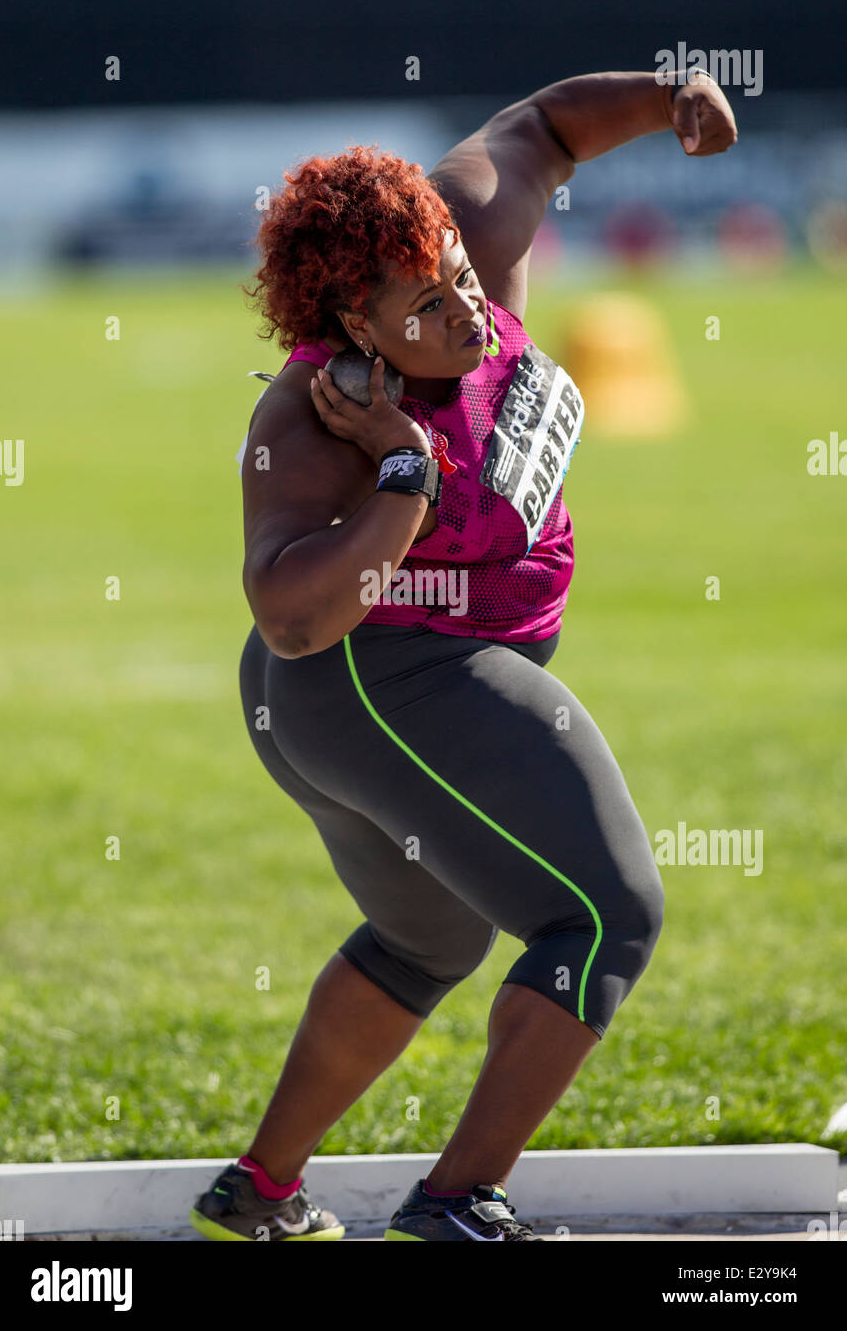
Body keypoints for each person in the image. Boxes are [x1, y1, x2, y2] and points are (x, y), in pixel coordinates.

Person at [190, 68, 737, 1243]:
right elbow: (288, 616)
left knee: (425, 935)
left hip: (412, 677)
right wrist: (402, 474)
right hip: (367, 678)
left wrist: (671, 94)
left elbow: (539, 129)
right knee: (604, 912)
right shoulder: (308, 422)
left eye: (454, 270)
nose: (466, 306)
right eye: (426, 306)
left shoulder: (463, 243)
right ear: (347, 328)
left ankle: (259, 1191)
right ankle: (452, 1202)